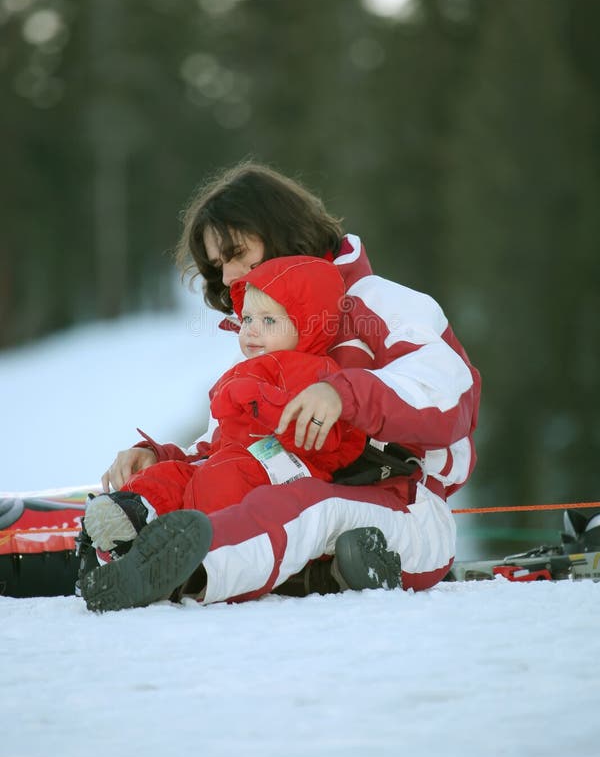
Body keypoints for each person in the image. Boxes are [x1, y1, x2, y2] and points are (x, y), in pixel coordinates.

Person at [79, 161, 481, 612]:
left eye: (236, 254)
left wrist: (343, 393)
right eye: (218, 265)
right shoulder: (263, 347)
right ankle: (122, 553)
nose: (229, 277)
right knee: (222, 488)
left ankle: (186, 573)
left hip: (405, 506)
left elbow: (453, 396)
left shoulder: (380, 305)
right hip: (288, 500)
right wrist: (163, 458)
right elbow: (233, 448)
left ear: (283, 231)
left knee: (310, 504)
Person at [81, 256, 366, 561]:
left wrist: (258, 400)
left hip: (283, 473)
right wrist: (168, 456)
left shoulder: (319, 374)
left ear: (308, 325)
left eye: (268, 321)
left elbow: (330, 439)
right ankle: (128, 517)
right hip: (229, 462)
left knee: (226, 477)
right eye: (247, 319)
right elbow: (219, 443)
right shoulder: (247, 369)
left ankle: (178, 548)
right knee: (175, 474)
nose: (252, 330)